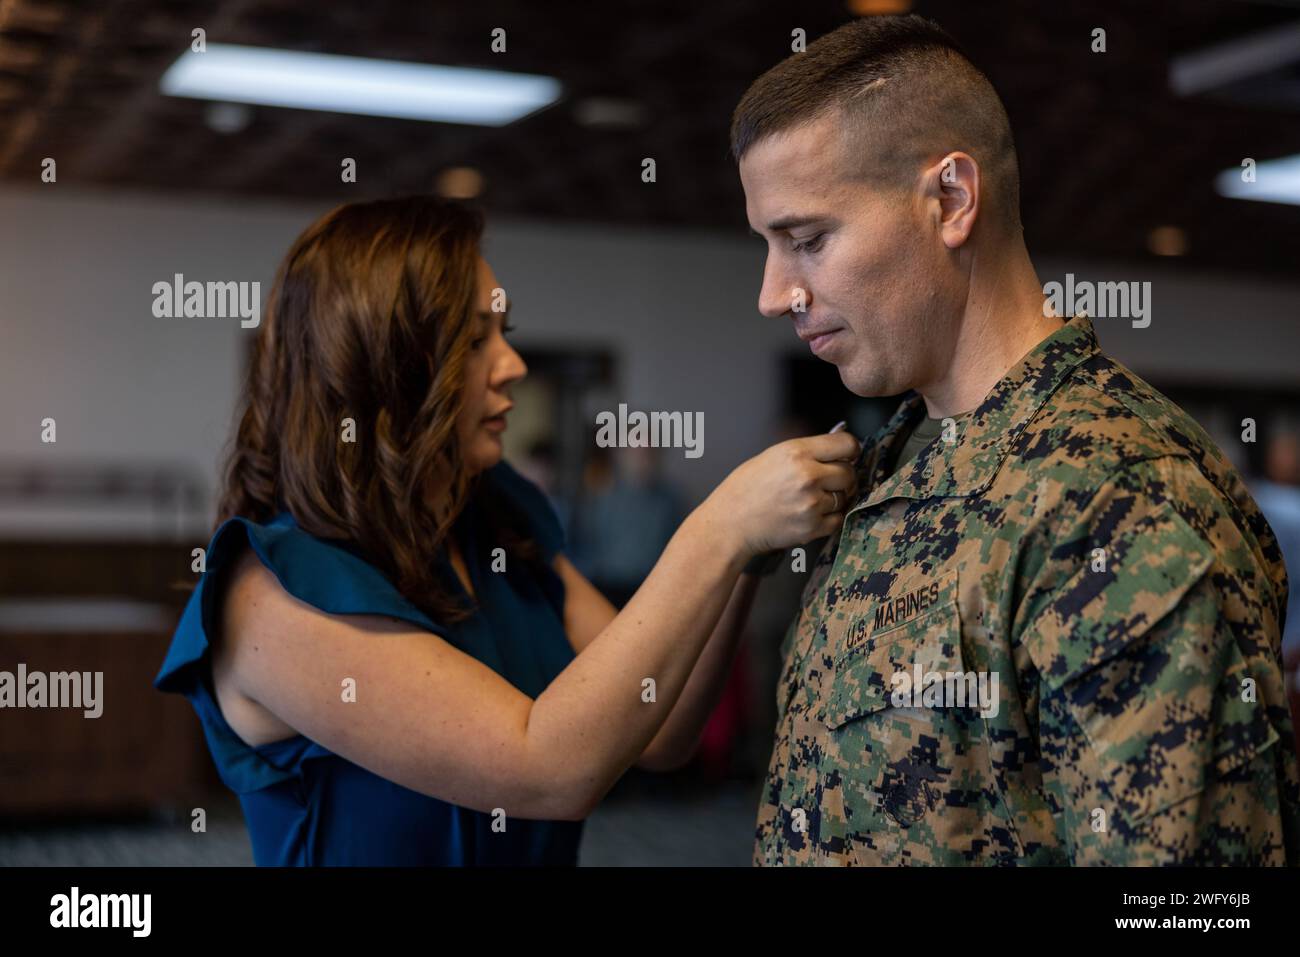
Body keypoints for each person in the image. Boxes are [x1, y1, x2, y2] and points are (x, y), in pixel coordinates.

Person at [731, 15, 1299, 865]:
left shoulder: (1119, 496)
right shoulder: (901, 457)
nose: (776, 294)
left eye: (808, 240)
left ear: (951, 201)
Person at [154, 196, 859, 865]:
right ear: (382, 369)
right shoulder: (270, 596)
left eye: (504, 333)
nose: (513, 365)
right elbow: (548, 769)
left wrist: (747, 551)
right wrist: (719, 524)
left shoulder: (494, 516)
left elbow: (663, 727)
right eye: (471, 340)